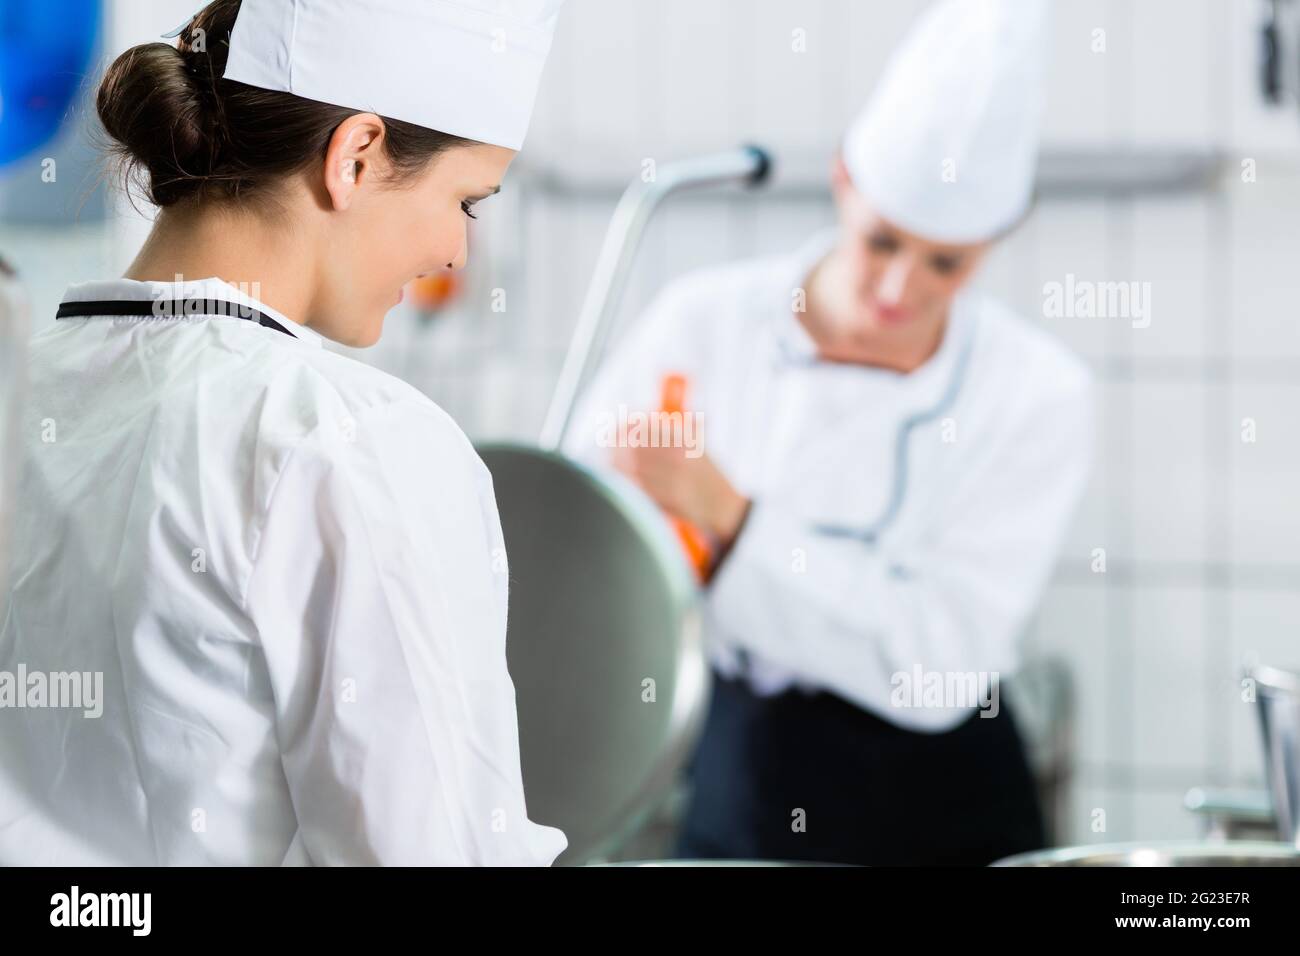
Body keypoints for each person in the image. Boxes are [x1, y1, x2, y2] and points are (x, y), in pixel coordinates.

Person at [0, 0, 567, 865]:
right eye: (467, 201)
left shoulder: (22, 386)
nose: (455, 250)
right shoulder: (352, 443)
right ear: (357, 153)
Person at [564, 0, 1091, 866]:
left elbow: (942, 665)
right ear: (846, 179)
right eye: (882, 241)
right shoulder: (702, 323)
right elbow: (598, 550)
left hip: (944, 802)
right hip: (747, 774)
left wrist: (727, 513)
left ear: (997, 240)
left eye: (944, 263)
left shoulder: (1037, 393)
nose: (897, 288)